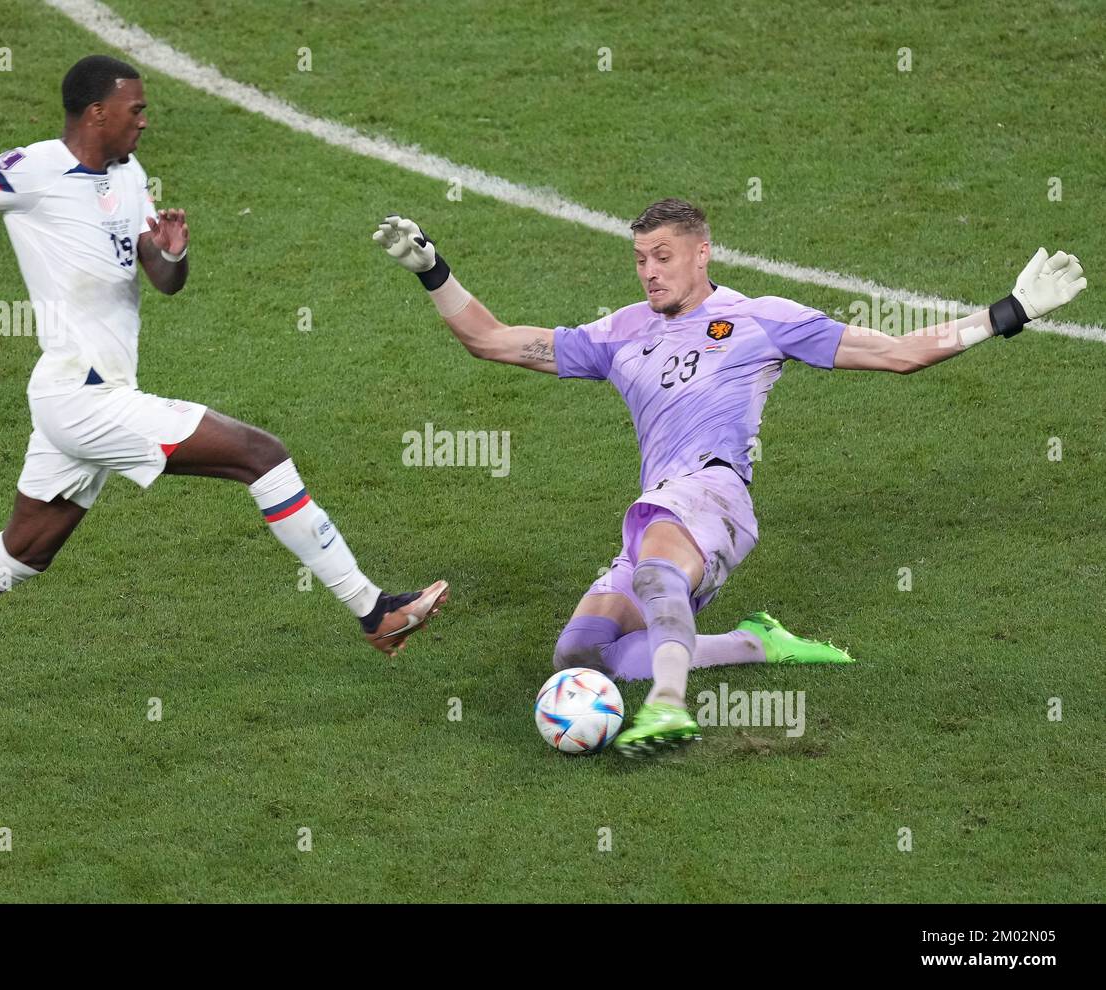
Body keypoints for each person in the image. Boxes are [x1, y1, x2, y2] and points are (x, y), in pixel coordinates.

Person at [0, 55, 448, 730]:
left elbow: (159, 278)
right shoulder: (29, 169)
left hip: (89, 394)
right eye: (137, 110)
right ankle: (374, 610)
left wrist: (173, 252)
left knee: (23, 551)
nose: (146, 121)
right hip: (81, 397)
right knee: (260, 455)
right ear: (97, 112)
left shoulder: (128, 178)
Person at [373, 200, 1085, 757]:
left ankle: (670, 704)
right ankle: (755, 644)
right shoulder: (619, 331)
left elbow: (899, 353)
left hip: (712, 496)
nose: (649, 271)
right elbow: (492, 341)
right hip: (664, 509)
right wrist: (433, 271)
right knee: (580, 652)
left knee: (656, 567)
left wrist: (1008, 313)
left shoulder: (760, 321)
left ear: (702, 252)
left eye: (663, 256)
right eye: (640, 259)